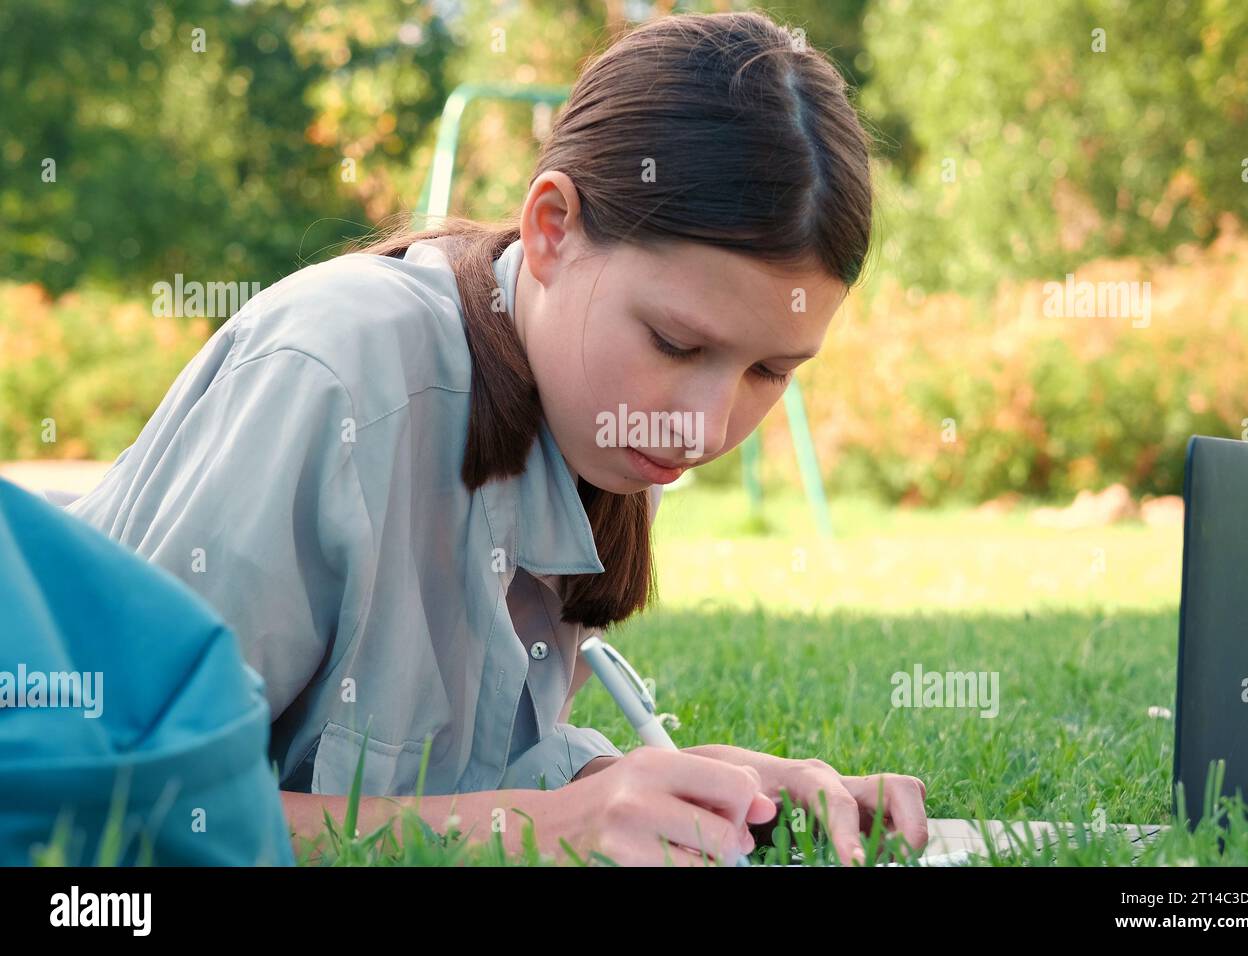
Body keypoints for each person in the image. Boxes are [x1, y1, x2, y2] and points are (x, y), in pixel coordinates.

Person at [66, 10, 927, 866]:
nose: (703, 429)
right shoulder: (334, 376)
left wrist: (693, 785)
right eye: (676, 343)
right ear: (552, 229)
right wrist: (541, 829)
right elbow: (99, 803)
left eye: (769, 372)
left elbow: (447, 783)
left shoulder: (608, 422)